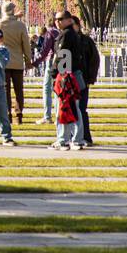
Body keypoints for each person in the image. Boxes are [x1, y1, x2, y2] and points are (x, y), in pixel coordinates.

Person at [49, 10, 87, 149]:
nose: (57, 21)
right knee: (74, 108)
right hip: (74, 75)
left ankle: (64, 140)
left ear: (69, 20)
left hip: (66, 77)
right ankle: (76, 139)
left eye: (61, 19)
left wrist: (53, 73)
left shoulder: (66, 35)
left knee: (64, 108)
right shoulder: (73, 35)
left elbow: (61, 56)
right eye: (56, 19)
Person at [0, 1, 35, 126]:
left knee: (5, 91)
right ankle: (18, 115)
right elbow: (26, 44)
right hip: (17, 62)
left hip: (3, 62)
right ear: (13, 10)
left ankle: (7, 114)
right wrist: (28, 60)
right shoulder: (20, 26)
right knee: (19, 91)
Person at [74, 15, 101, 147]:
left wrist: (91, 78)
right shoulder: (66, 40)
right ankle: (72, 137)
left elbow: (95, 60)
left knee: (82, 109)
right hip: (70, 79)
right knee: (71, 109)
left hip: (83, 79)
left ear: (78, 26)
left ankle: (86, 137)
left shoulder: (86, 41)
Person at [33, 21, 61, 125]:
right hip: (60, 61)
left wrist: (35, 63)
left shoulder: (50, 33)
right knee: (57, 89)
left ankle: (47, 116)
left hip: (51, 61)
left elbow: (45, 50)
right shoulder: (60, 32)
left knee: (47, 89)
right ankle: (58, 115)